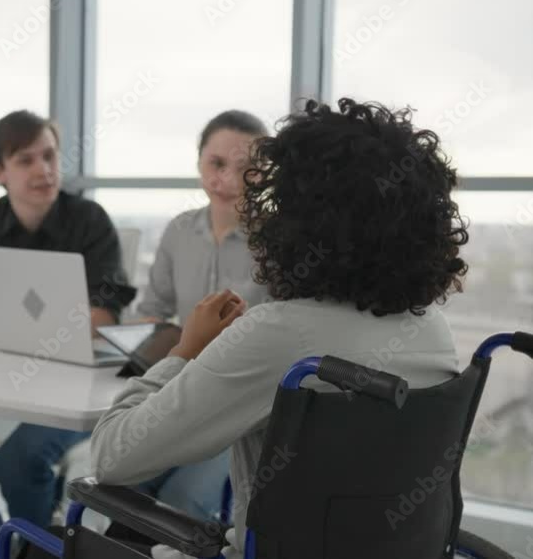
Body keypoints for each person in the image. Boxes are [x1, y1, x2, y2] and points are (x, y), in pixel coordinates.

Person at [89, 98, 470, 559]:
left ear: (299, 222)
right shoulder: (434, 334)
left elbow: (112, 456)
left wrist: (184, 352)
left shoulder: (277, 334)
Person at [0, 110, 136, 559]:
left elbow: (106, 316)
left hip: (74, 386)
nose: (44, 169)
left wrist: (4, 321)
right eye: (26, 160)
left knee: (19, 458)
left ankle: (36, 553)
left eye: (49, 156)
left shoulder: (89, 221)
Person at [130, 110, 271, 522]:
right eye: (217, 164)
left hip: (242, 405)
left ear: (264, 174)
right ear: (199, 166)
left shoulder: (280, 244)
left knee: (184, 502)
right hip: (177, 390)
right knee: (123, 483)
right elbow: (152, 312)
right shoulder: (178, 231)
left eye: (246, 168)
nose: (227, 180)